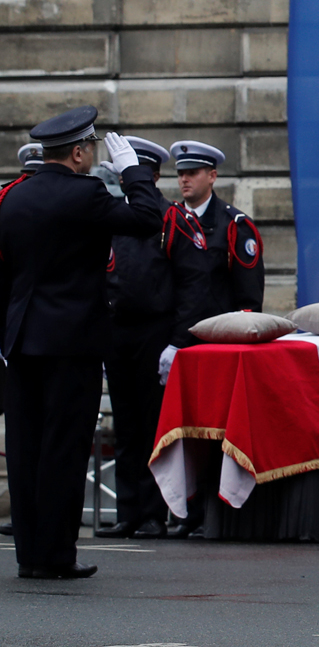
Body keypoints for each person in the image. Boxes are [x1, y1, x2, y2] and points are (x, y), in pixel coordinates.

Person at [0, 107, 165, 579]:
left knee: (26, 450)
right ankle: (56, 555)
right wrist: (132, 171)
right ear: (77, 153)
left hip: (22, 340)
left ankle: (30, 555)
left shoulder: (12, 197)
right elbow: (148, 218)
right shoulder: (86, 194)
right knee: (65, 449)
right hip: (72, 342)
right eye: (89, 149)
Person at [98, 137, 189, 540]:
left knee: (153, 426)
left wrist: (176, 340)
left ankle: (154, 513)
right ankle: (128, 512)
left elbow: (188, 284)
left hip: (155, 331)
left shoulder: (170, 217)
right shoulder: (117, 216)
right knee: (125, 426)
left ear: (150, 176)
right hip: (118, 329)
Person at [156, 140, 267, 397]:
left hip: (215, 342)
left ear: (212, 176)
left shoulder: (234, 225)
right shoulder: (169, 221)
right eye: (181, 173)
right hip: (170, 340)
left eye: (192, 173)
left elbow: (248, 297)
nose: (184, 180)